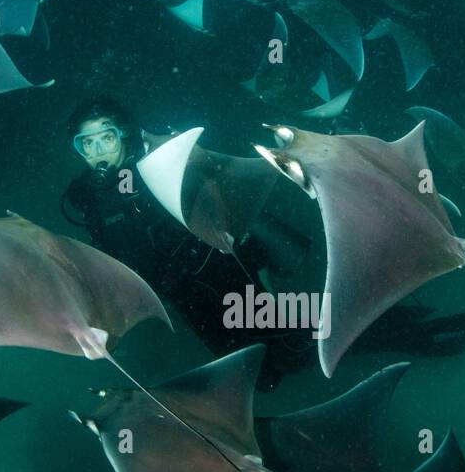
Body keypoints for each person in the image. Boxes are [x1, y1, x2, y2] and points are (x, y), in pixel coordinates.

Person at [60, 96, 314, 390]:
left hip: (220, 271)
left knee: (293, 347)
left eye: (106, 138)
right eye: (86, 143)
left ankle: (357, 339)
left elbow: (217, 195)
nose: (97, 151)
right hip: (182, 294)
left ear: (124, 134)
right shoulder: (92, 199)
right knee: (258, 375)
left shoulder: (158, 164)